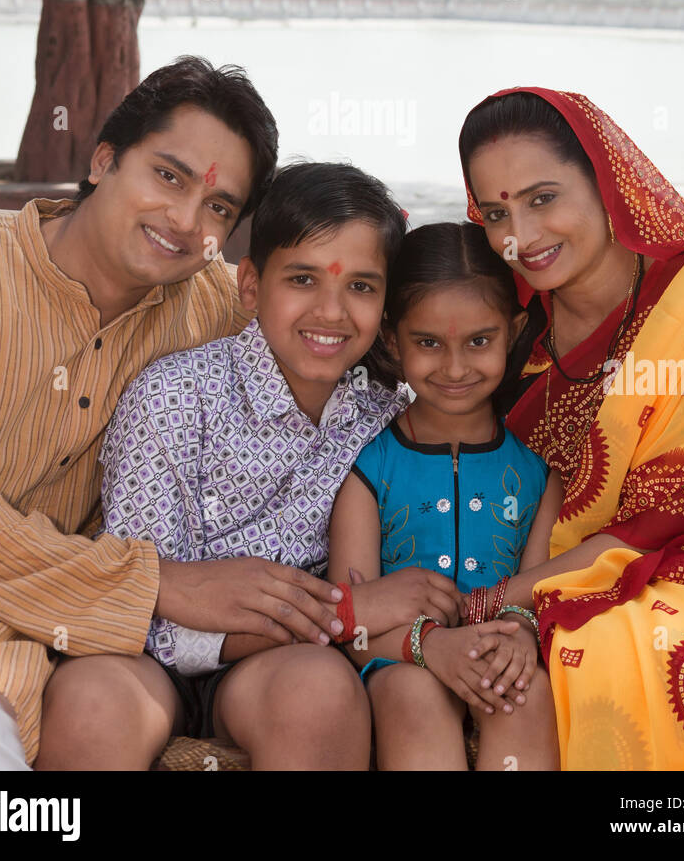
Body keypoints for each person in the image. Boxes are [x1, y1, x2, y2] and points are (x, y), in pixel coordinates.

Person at [0, 57, 348, 771]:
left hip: (40, 656)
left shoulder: (220, 309)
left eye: (219, 208)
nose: (186, 221)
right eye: (169, 175)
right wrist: (159, 582)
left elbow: (363, 321)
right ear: (103, 160)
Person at [37, 163, 463, 771]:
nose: (332, 311)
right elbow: (134, 606)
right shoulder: (175, 396)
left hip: (283, 665)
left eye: (362, 287)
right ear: (250, 287)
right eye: (303, 279)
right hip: (143, 659)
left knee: (317, 692)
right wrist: (342, 614)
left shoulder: (392, 417)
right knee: (93, 702)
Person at [457, 86, 684, 770]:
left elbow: (659, 527)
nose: (519, 234)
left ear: (608, 183)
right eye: (496, 213)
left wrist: (492, 604)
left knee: (611, 653)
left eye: (542, 198)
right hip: (542, 560)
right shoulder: (507, 320)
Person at [329, 221, 562, 771]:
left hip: (499, 658)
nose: (455, 368)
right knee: (415, 696)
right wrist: (428, 646)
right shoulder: (368, 472)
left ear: (515, 330)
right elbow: (350, 628)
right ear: (392, 338)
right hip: (399, 665)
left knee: (529, 694)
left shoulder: (538, 474)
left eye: (479, 342)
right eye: (428, 343)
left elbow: (536, 603)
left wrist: (520, 645)